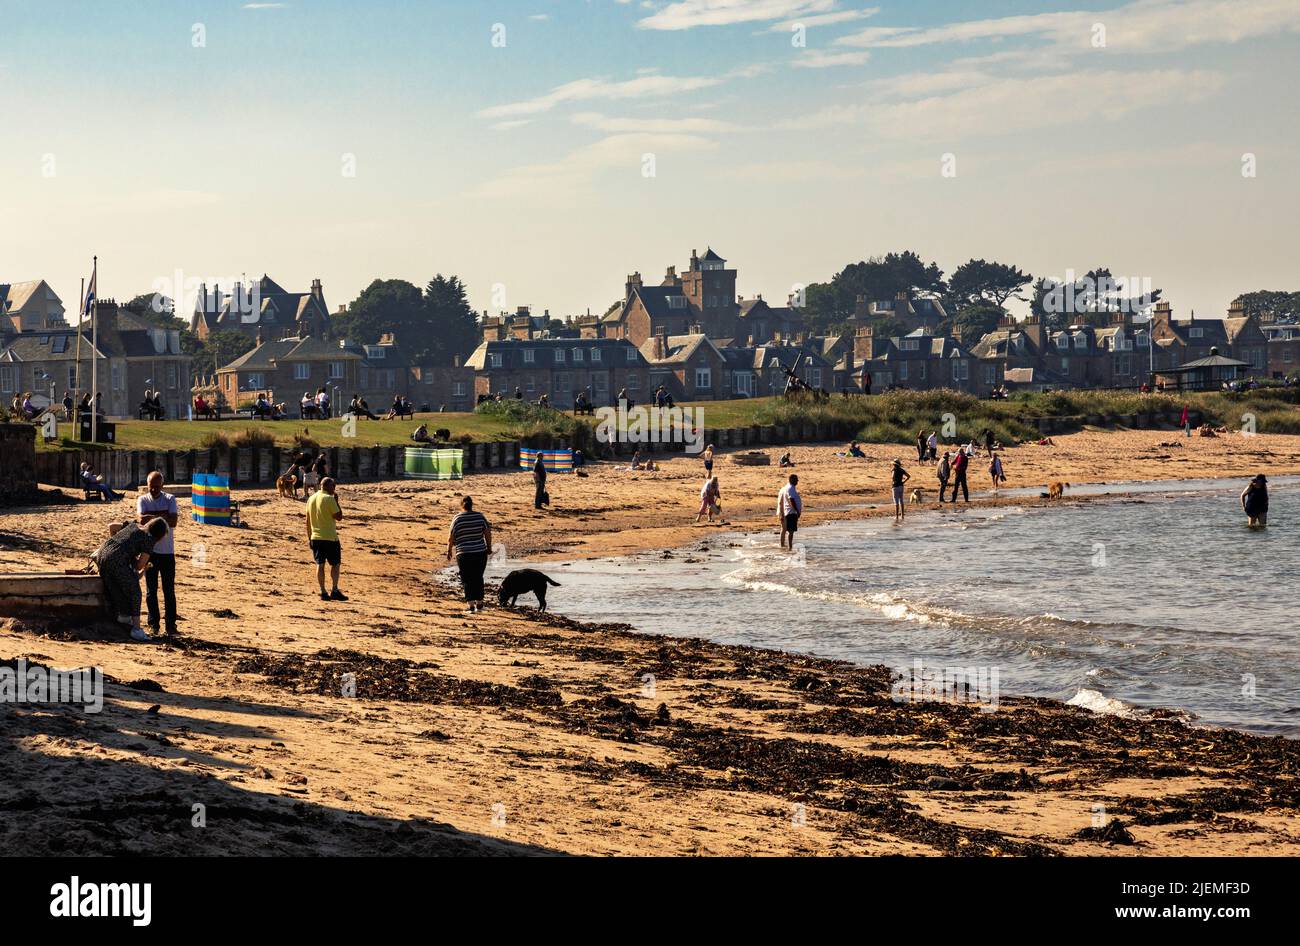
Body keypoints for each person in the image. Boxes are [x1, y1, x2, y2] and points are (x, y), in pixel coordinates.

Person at [91, 518, 169, 641]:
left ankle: (124, 619)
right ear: (159, 534)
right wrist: (139, 563)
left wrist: (121, 549)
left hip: (103, 554)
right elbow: (138, 566)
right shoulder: (149, 540)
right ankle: (136, 629)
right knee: (135, 592)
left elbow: (112, 527)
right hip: (117, 560)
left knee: (115, 587)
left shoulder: (134, 525)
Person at [137, 471, 179, 636]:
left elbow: (174, 521)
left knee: (169, 590)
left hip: (168, 553)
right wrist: (163, 516)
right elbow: (141, 520)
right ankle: (154, 624)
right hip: (150, 553)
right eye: (151, 487)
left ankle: (171, 624)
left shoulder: (170, 499)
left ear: (162, 485)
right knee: (150, 590)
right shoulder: (142, 499)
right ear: (147, 485)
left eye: (157, 486)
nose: (153, 490)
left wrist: (151, 517)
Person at [447, 496, 492, 613]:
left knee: (467, 578)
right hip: (480, 552)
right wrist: (489, 547)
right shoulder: (480, 516)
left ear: (461, 505)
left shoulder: (457, 518)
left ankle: (471, 606)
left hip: (463, 553)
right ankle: (480, 604)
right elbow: (487, 533)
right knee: (478, 577)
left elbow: (451, 537)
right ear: (472, 505)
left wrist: (449, 551)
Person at [306, 477, 347, 601]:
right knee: (335, 564)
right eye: (333, 487)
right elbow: (339, 517)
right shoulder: (329, 499)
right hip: (330, 537)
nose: (334, 489)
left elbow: (307, 521)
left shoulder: (311, 498)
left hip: (315, 537)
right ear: (330, 487)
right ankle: (334, 589)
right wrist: (336, 501)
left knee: (320, 564)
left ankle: (323, 591)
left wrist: (310, 538)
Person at [778, 474, 802, 551]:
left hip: (788, 512)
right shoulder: (790, 488)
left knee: (786, 530)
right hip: (790, 512)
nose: (797, 481)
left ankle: (785, 546)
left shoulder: (788, 488)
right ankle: (790, 547)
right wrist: (797, 511)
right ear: (792, 480)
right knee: (790, 531)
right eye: (796, 480)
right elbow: (791, 500)